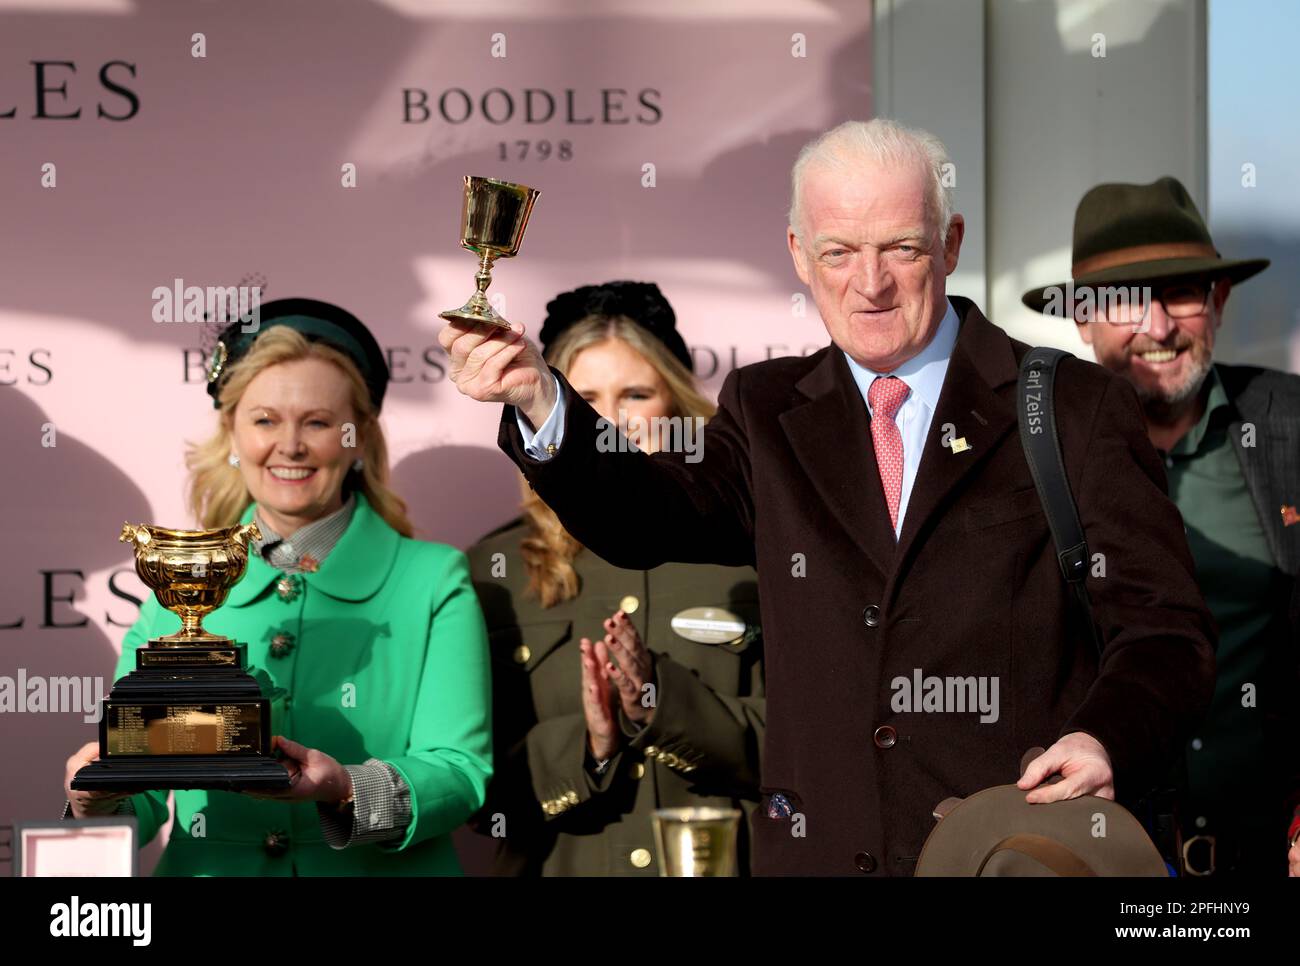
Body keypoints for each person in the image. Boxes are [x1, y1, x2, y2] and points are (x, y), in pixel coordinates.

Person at [439, 118, 1217, 876]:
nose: (869, 284)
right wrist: (540, 397)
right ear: (798, 255)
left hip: (1011, 854)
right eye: (839, 252)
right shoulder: (767, 408)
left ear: (949, 245)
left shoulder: (1071, 408)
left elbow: (1164, 633)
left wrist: (1104, 739)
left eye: (901, 249)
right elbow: (647, 516)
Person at [64, 298, 492, 875]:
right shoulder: (178, 584)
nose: (289, 446)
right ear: (232, 434)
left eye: (317, 422)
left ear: (359, 437)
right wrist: (92, 800)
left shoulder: (433, 579)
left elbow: (460, 772)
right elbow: (138, 799)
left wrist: (344, 787)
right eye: (265, 419)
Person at [1022, 177, 1300, 877]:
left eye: (1180, 293)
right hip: (1095, 858)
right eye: (1121, 300)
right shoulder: (1028, 455)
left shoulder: (1291, 427)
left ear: (1219, 302)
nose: (1155, 326)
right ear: (1080, 319)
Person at [468, 281, 764, 875]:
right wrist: (590, 744)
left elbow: (822, 744)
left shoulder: (754, 551)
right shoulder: (491, 570)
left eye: (636, 393)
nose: (608, 418)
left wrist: (665, 709)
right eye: (583, 396)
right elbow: (467, 784)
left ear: (678, 404)